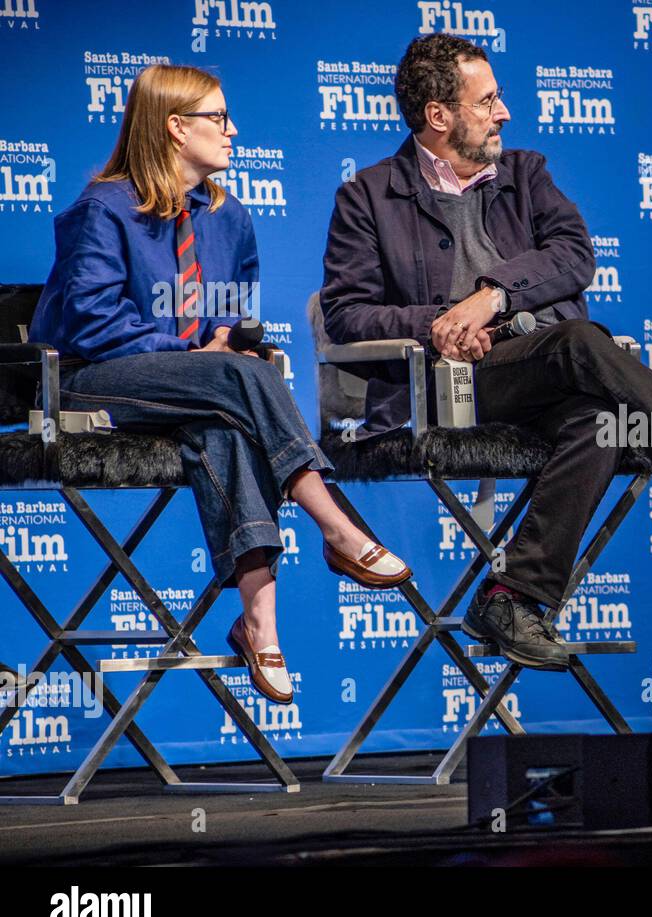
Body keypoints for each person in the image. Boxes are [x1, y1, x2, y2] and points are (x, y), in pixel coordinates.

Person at [321, 34, 652, 671]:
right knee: (582, 342)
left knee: (600, 418)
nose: (504, 112)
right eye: (487, 101)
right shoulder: (369, 196)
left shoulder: (526, 174)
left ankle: (510, 596)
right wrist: (442, 320)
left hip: (545, 371)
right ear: (439, 116)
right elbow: (346, 312)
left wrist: (491, 297)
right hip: (449, 385)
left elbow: (575, 257)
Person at [28, 64, 410, 704]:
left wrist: (229, 339)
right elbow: (90, 323)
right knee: (236, 378)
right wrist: (195, 352)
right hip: (93, 383)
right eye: (219, 119)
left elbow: (231, 310)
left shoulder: (228, 217)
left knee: (228, 419)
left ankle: (259, 624)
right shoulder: (103, 208)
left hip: (199, 388)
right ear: (176, 128)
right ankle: (335, 525)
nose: (233, 132)